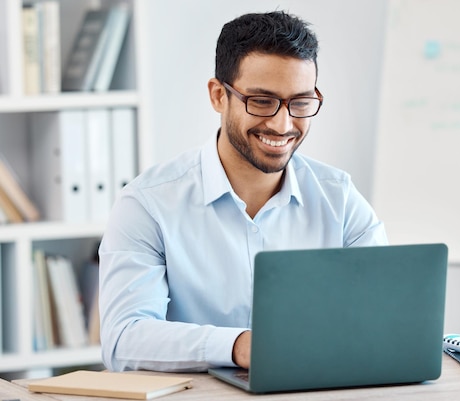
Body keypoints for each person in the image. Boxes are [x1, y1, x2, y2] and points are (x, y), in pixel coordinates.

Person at [98, 10, 388, 373]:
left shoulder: (339, 199)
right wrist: (238, 346)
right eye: (262, 101)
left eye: (299, 103)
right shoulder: (148, 204)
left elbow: (385, 319)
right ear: (219, 96)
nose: (283, 125)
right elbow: (123, 339)